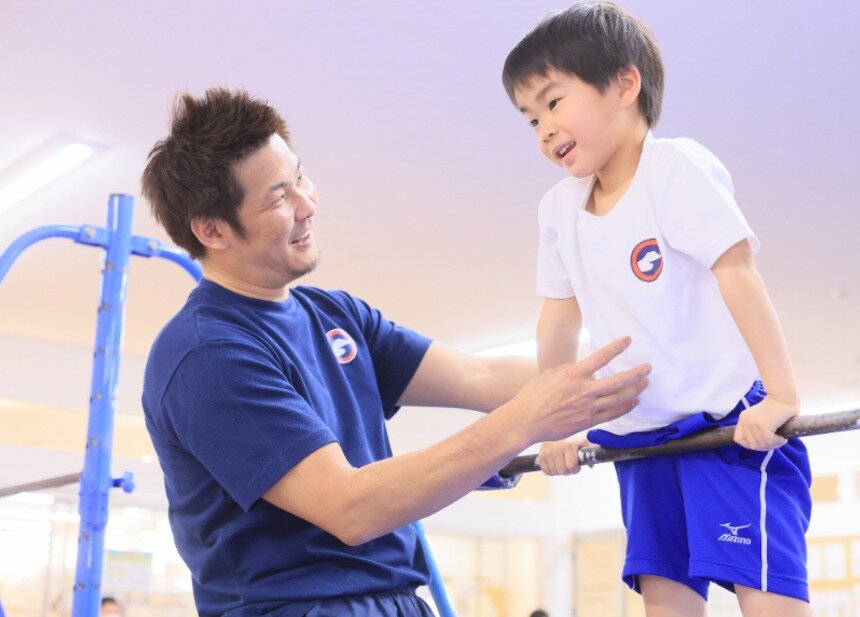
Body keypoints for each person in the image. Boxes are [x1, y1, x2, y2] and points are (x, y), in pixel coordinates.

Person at [139, 87, 650, 616]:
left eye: (300, 178)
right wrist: (524, 422)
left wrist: (648, 374)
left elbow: (479, 376)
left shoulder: (334, 315)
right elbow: (349, 507)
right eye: (277, 198)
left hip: (397, 600)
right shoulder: (208, 355)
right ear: (212, 230)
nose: (307, 205)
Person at [501, 3, 812, 616]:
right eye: (531, 118)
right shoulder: (558, 209)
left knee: (767, 599)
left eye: (554, 102)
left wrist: (781, 395)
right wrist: (555, 425)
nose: (543, 129)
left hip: (724, 424)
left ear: (624, 84)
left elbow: (737, 273)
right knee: (666, 601)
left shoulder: (674, 168)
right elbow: (558, 322)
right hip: (640, 439)